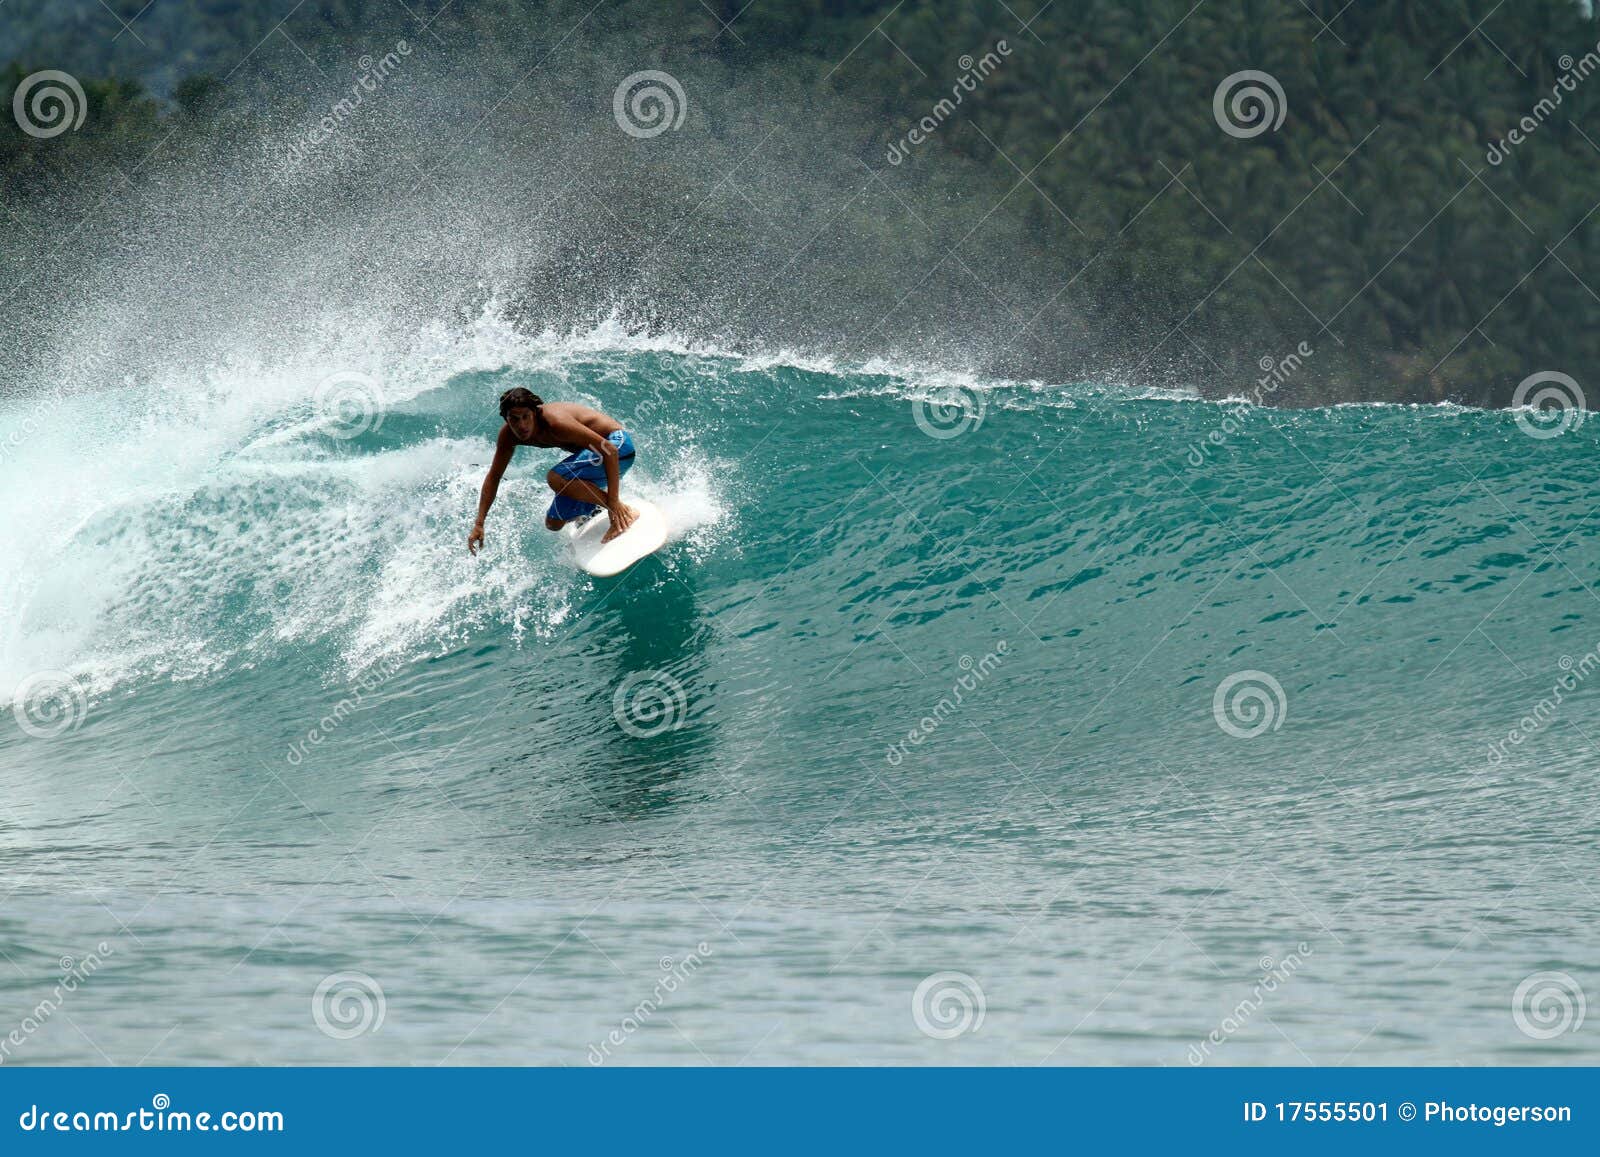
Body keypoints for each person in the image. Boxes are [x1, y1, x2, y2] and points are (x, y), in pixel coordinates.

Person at [468, 388, 639, 554]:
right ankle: (594, 510)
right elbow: (494, 477)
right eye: (514, 419)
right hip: (597, 459)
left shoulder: (555, 423)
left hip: (617, 447)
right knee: (553, 523)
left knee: (555, 478)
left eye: (526, 417)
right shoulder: (508, 436)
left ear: (534, 413)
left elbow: (609, 449)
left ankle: (619, 510)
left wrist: (613, 503)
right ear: (506, 419)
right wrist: (479, 523)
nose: (521, 425)